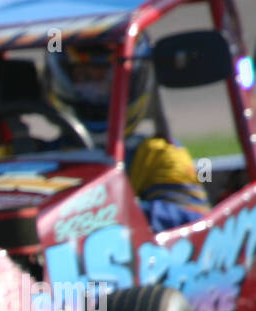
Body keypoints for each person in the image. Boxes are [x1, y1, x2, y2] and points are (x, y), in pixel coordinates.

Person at [43, 36, 211, 231]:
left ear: (134, 81)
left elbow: (193, 227)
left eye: (107, 81)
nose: (96, 95)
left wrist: (102, 214)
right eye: (86, 79)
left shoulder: (157, 157)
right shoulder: (30, 157)